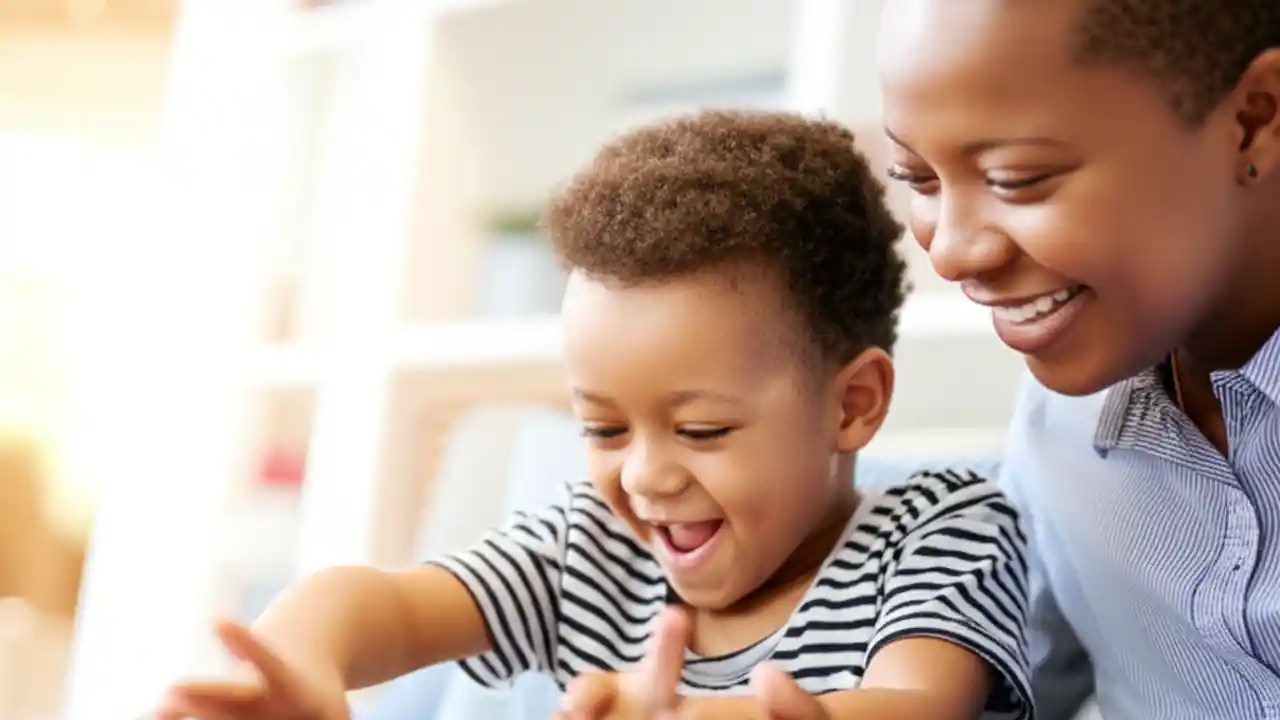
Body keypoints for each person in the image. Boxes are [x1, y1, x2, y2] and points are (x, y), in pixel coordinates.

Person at [151, 111, 1032, 720]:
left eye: (701, 430)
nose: (643, 475)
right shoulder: (592, 550)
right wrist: (301, 664)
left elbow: (920, 703)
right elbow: (384, 605)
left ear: (851, 404)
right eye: (605, 428)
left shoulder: (942, 528)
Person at [867, 1, 1280, 718]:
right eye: (917, 177)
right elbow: (1011, 678)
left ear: (1254, 118)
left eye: (1016, 178)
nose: (950, 253)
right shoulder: (1058, 424)